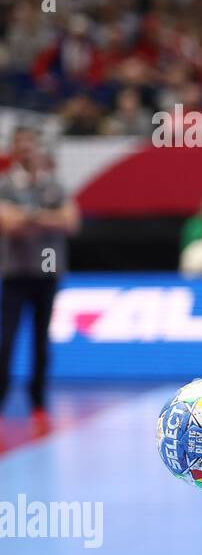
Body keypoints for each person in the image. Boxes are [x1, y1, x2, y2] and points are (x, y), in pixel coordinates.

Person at [0, 131, 80, 424]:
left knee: (41, 339)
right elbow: (8, 224)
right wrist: (48, 218)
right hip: (15, 271)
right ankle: (3, 395)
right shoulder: (7, 184)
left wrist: (30, 217)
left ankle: (38, 399)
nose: (27, 150)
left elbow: (70, 221)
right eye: (21, 145)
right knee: (7, 339)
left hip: (46, 268)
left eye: (31, 145)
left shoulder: (52, 185)